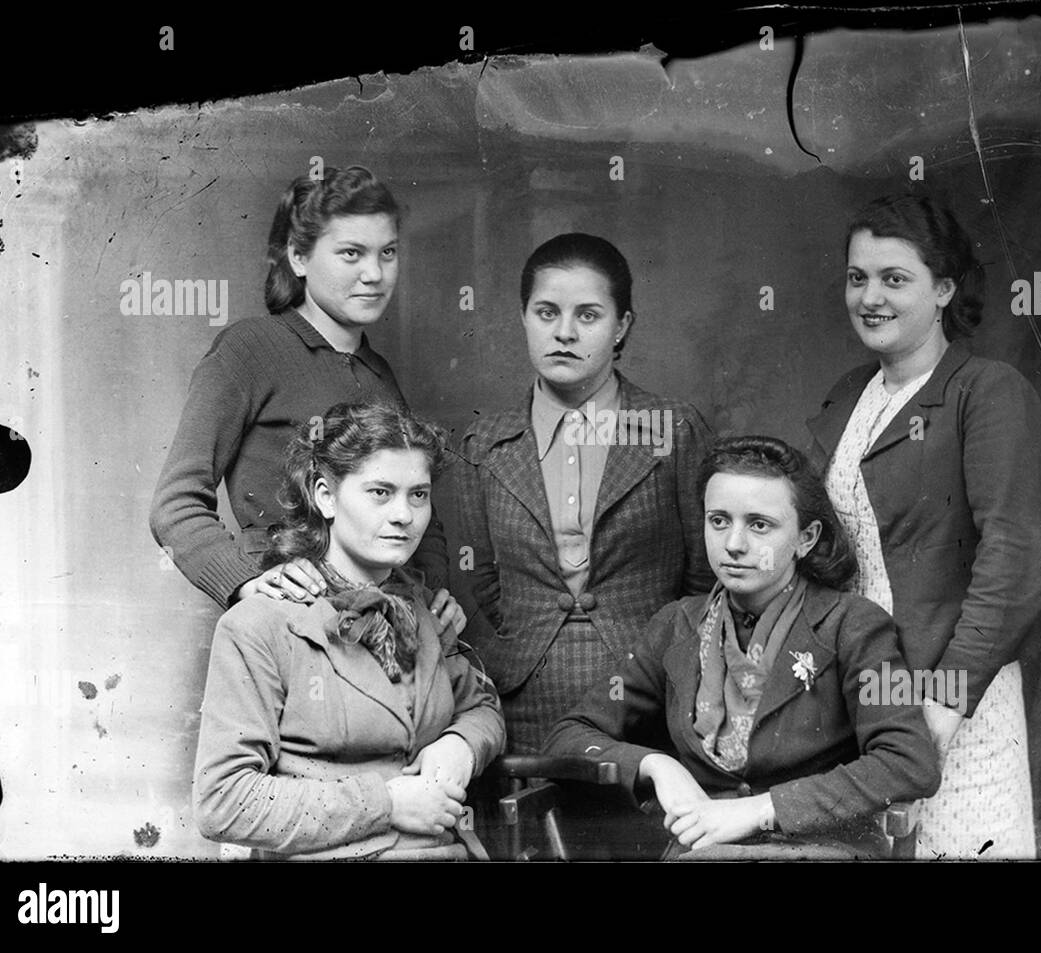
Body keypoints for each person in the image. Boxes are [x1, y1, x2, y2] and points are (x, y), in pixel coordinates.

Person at [544, 436, 940, 857]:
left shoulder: (852, 625)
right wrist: (656, 766)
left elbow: (907, 760)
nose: (734, 543)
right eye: (718, 521)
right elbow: (570, 733)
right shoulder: (676, 626)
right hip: (703, 851)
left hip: (820, 848)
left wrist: (762, 810)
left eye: (759, 525)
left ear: (806, 538)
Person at [807, 193, 1041, 859]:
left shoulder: (986, 391)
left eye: (896, 278)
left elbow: (1018, 560)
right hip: (855, 693)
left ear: (944, 288)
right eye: (859, 277)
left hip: (953, 697)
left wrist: (941, 709)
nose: (871, 297)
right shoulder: (848, 395)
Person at [192, 401, 504, 860]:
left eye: (418, 494)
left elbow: (482, 707)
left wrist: (462, 746)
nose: (404, 514)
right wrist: (387, 803)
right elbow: (224, 801)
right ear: (325, 496)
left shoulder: (421, 608)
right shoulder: (261, 624)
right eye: (381, 492)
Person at [150, 165, 454, 625]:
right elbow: (175, 502)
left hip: (382, 622)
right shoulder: (249, 349)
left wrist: (429, 595)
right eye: (352, 253)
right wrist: (243, 581)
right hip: (288, 619)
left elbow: (419, 507)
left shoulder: (382, 376)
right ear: (297, 257)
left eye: (387, 253)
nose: (374, 273)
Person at [454, 233, 716, 754]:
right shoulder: (483, 444)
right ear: (523, 318)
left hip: (651, 696)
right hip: (523, 697)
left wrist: (662, 659)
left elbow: (704, 576)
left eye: (589, 316)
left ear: (622, 326)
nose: (564, 333)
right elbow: (480, 579)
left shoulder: (673, 430)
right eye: (546, 312)